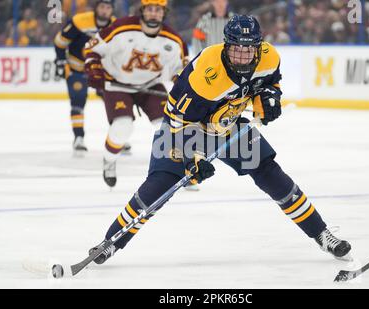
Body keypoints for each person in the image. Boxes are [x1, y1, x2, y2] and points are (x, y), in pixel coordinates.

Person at [88, 15, 353, 265]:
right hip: (179, 128)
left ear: (259, 47)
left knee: (269, 172)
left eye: (249, 49)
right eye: (236, 48)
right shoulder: (208, 75)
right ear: (226, 45)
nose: (242, 55)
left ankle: (322, 234)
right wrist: (192, 160)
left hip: (227, 124)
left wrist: (270, 98)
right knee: (160, 185)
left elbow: (270, 83)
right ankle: (110, 242)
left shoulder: (269, 57)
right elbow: (181, 122)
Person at [83, 0, 189, 188]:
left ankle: (180, 171)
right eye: (150, 9)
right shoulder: (121, 28)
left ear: (164, 13)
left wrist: (182, 85)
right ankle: (109, 160)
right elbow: (91, 48)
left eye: (158, 10)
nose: (154, 13)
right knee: (123, 126)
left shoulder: (173, 39)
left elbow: (181, 70)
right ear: (142, 11)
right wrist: (93, 67)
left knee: (169, 126)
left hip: (151, 85)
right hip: (117, 84)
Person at [54, 0, 118, 155]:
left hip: (100, 70)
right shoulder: (80, 21)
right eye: (102, 7)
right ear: (96, 8)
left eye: (108, 8)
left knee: (113, 100)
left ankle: (117, 137)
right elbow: (60, 41)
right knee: (78, 99)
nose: (104, 11)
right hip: (77, 68)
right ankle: (78, 138)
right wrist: (61, 60)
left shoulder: (116, 26)